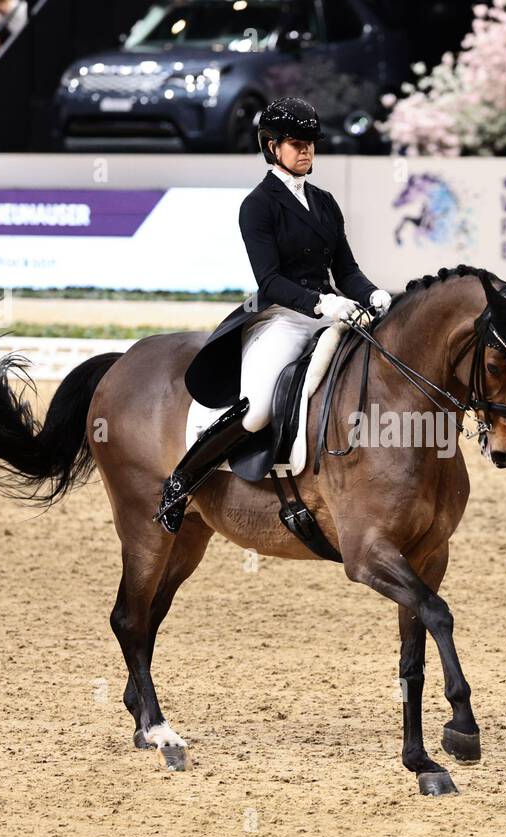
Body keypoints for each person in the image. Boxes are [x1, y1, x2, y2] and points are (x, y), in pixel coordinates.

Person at [155, 97, 391, 532]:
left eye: (311, 144)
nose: (306, 151)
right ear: (271, 147)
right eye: (296, 144)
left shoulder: (325, 203)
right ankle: (181, 481)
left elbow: (347, 271)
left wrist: (373, 294)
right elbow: (270, 280)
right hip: (283, 316)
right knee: (258, 408)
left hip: (329, 313)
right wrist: (324, 303)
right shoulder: (258, 205)